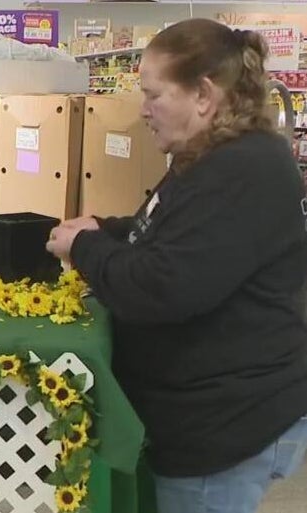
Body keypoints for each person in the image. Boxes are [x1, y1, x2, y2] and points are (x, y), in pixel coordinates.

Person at [46, 19, 307, 513]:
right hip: (205, 417)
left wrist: (86, 248)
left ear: (203, 95)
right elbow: (169, 232)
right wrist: (105, 229)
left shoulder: (240, 170)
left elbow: (159, 287)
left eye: (153, 95)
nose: (143, 110)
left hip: (224, 429)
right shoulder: (209, 157)